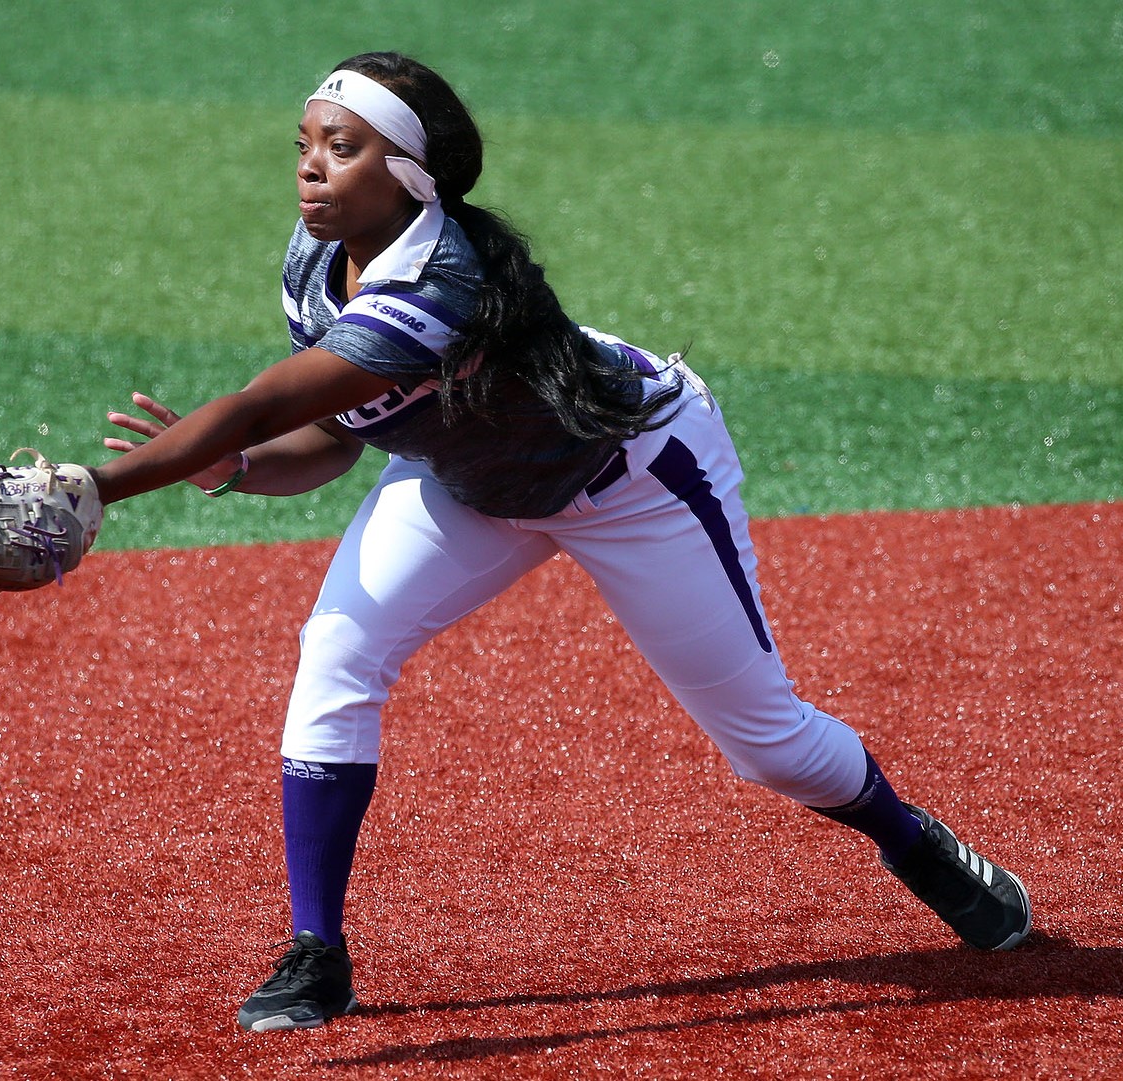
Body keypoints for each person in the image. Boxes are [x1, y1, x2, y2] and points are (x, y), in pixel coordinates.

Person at [85, 52, 1031, 1032]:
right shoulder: (317, 262)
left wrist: (95, 486)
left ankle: (913, 839)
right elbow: (332, 433)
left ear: (409, 172)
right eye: (306, 145)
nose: (311, 167)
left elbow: (262, 404)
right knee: (338, 649)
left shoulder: (438, 283)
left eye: (343, 146)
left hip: (632, 479)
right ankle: (317, 952)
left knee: (772, 748)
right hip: (474, 484)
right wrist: (234, 468)